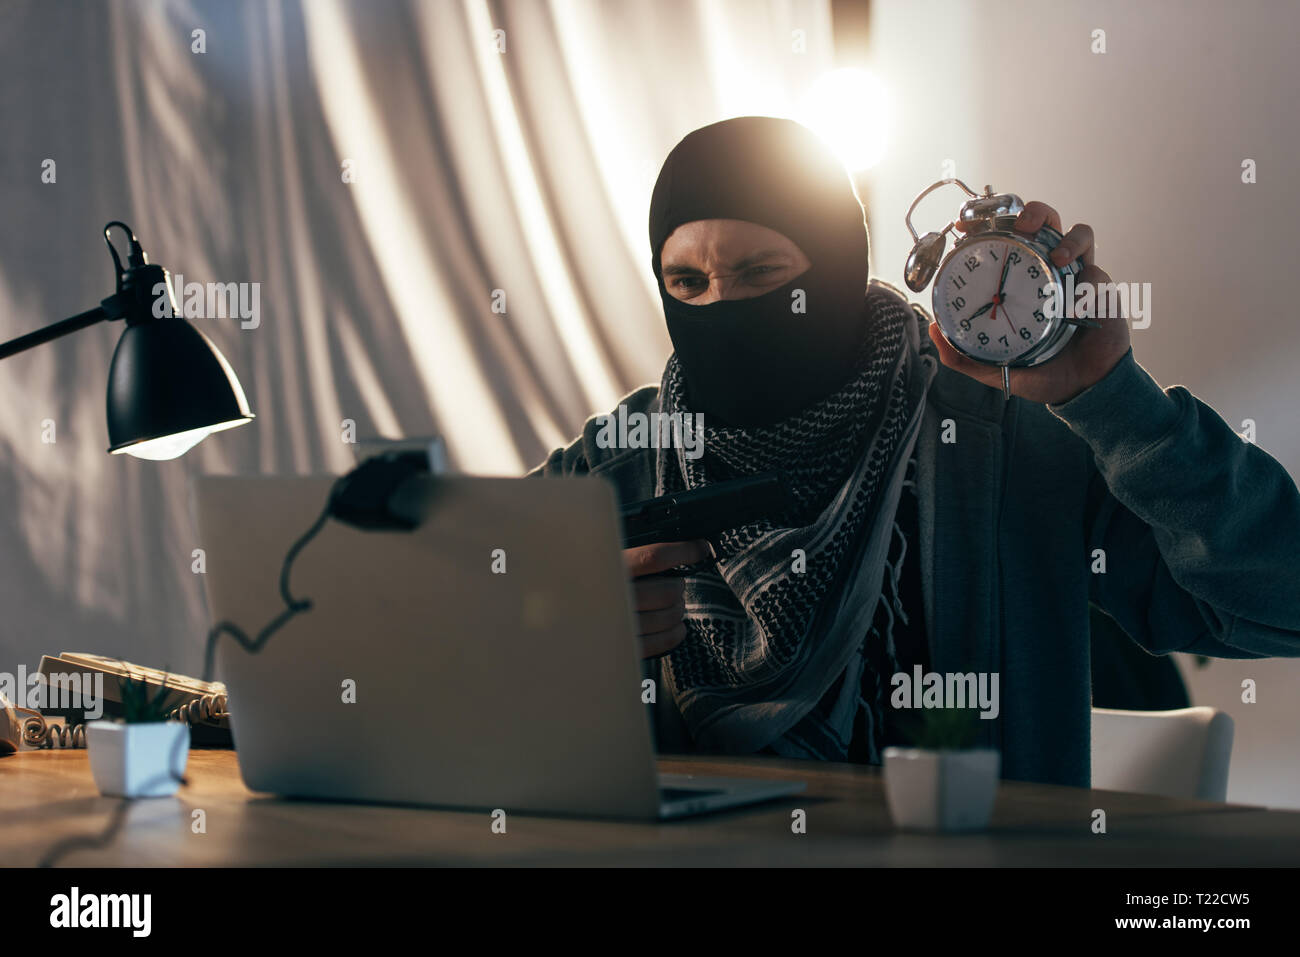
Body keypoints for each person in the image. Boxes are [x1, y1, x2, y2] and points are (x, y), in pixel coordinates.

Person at [530, 116, 1300, 787]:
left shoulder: (1004, 446)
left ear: (833, 262)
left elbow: (1280, 601)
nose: (721, 309)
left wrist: (1112, 398)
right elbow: (446, 621)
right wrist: (551, 621)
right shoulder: (623, 462)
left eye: (761, 272)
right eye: (687, 282)